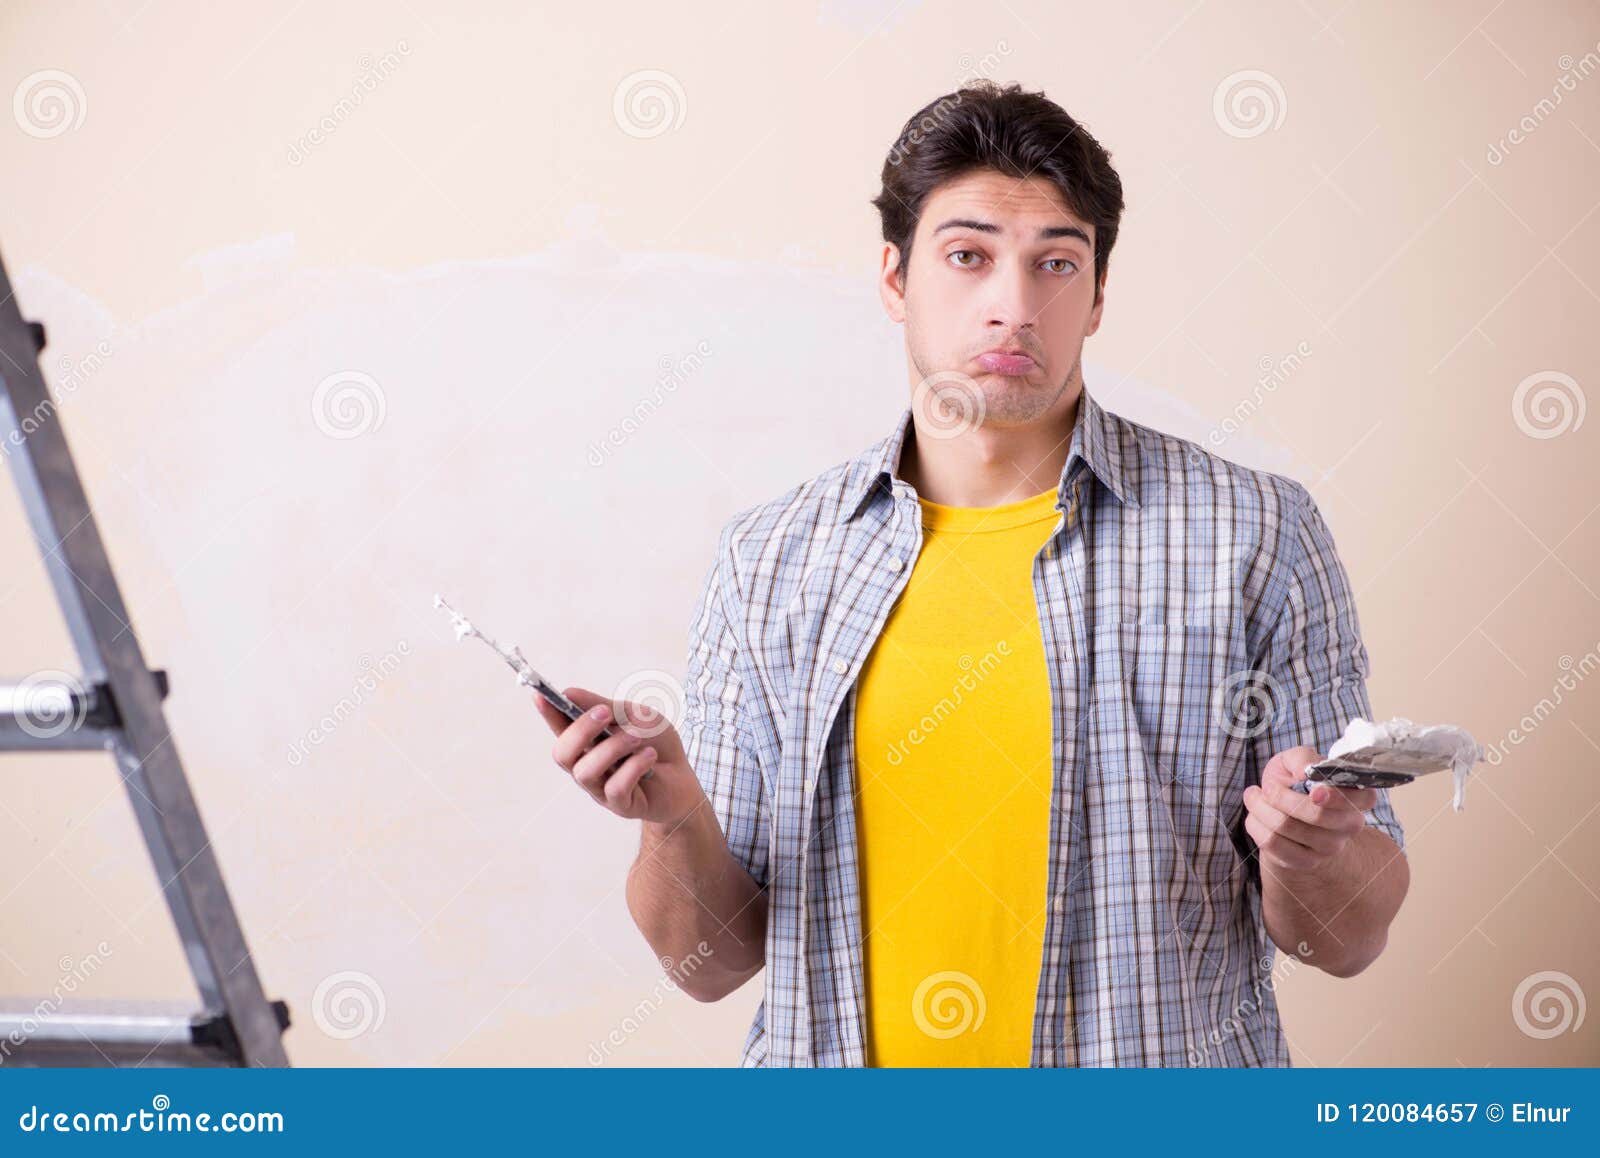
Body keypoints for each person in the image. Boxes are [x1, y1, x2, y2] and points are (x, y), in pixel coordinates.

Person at [536, 80, 1408, 1068]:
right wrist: (673, 817)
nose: (1012, 304)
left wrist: (1314, 848)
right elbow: (711, 964)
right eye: (967, 256)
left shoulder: (1252, 533)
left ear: (1097, 296)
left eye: (1054, 264)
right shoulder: (771, 557)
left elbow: (1343, 940)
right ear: (893, 278)